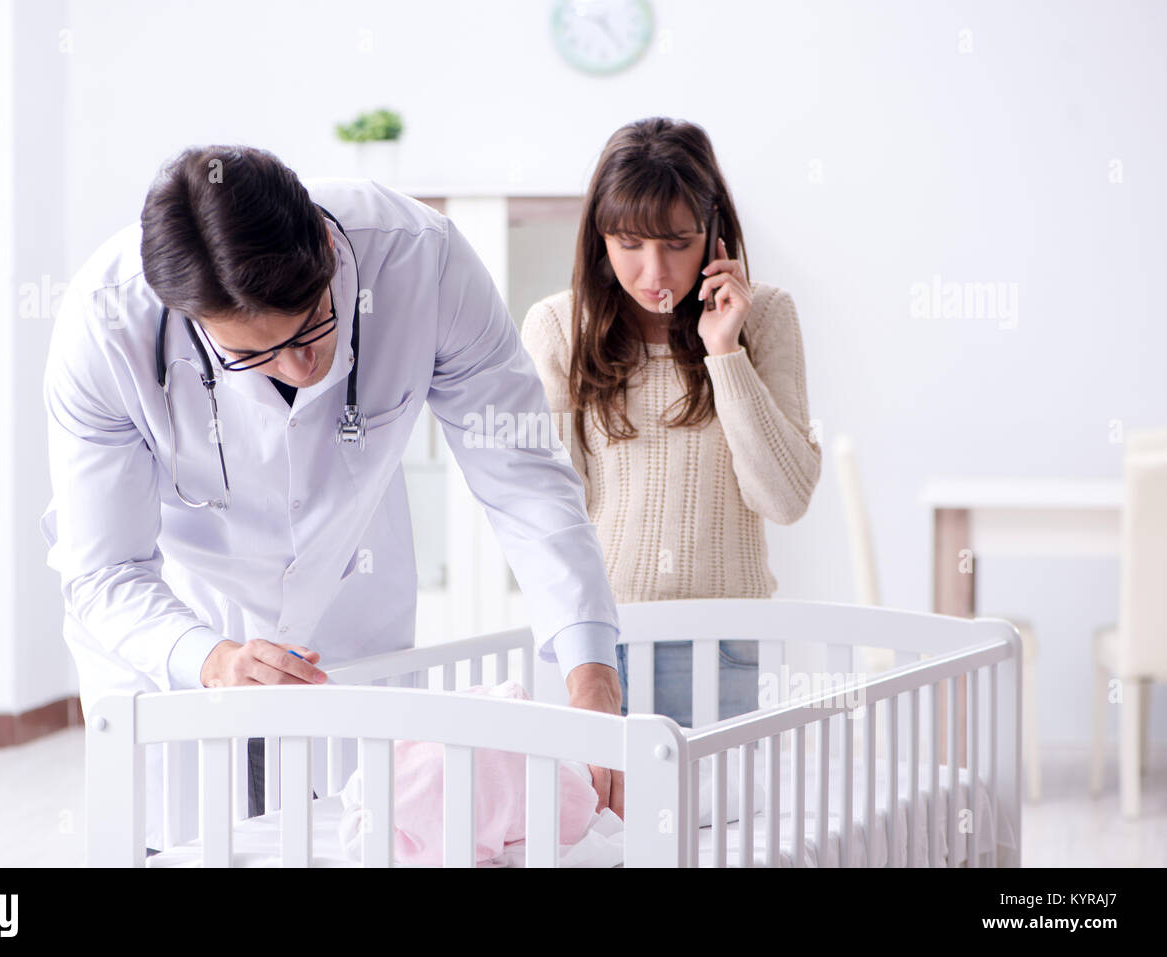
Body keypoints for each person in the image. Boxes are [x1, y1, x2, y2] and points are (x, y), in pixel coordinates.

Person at [40, 146, 624, 849]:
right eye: (254, 355)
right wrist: (211, 657)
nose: (299, 365)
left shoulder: (420, 262)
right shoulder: (106, 326)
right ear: (188, 317)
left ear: (323, 242)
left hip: (346, 607)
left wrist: (592, 677)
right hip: (175, 620)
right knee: (181, 843)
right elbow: (104, 570)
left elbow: (524, 473)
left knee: (369, 833)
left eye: (314, 324)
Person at [520, 117, 822, 728]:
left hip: (724, 642)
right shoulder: (557, 328)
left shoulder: (765, 317)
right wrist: (585, 648)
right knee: (598, 822)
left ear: (713, 229)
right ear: (599, 239)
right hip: (596, 645)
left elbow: (785, 499)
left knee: (721, 820)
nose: (653, 274)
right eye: (629, 244)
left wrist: (725, 353)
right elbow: (546, 509)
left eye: (677, 243)